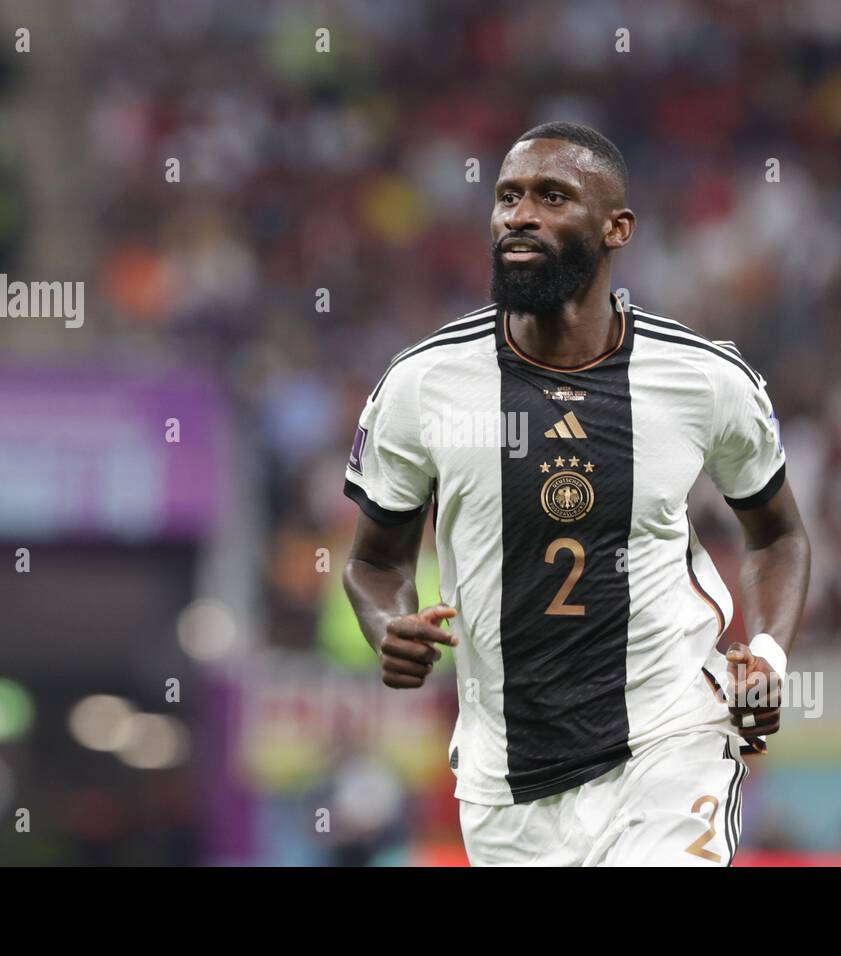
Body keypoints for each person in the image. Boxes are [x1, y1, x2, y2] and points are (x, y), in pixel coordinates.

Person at [342, 122, 811, 865]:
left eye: (552, 197)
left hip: (670, 741)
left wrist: (768, 655)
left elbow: (778, 534)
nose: (519, 215)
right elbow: (374, 561)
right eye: (507, 197)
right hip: (505, 784)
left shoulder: (704, 380)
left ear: (616, 228)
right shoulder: (422, 384)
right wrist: (386, 626)